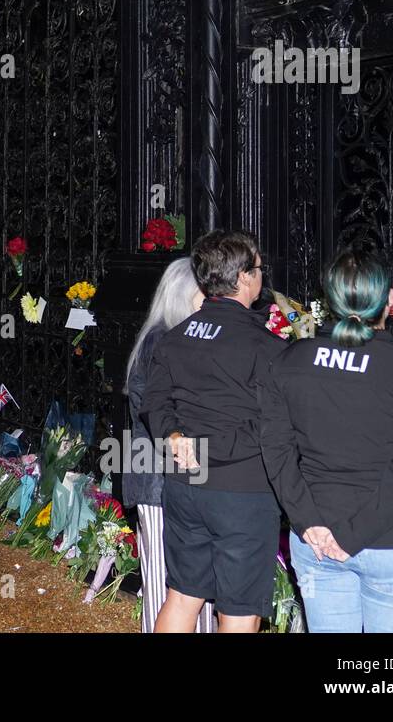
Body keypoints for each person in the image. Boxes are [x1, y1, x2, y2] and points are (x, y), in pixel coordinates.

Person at [260, 251, 393, 632]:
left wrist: (308, 520)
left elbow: (276, 450)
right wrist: (350, 536)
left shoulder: (288, 362)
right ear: (391, 299)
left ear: (330, 299)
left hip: (317, 539)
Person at [140, 230, 286, 632]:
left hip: (184, 482)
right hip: (241, 492)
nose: (261, 276)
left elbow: (153, 402)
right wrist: (208, 447)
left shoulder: (174, 339)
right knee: (238, 611)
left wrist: (175, 439)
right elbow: (271, 425)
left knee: (183, 596)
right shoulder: (265, 346)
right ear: (241, 277)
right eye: (258, 268)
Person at [123, 257, 215, 633]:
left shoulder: (172, 337)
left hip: (173, 477)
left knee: (190, 583)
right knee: (165, 584)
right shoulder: (162, 338)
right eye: (203, 290)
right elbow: (154, 410)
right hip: (158, 481)